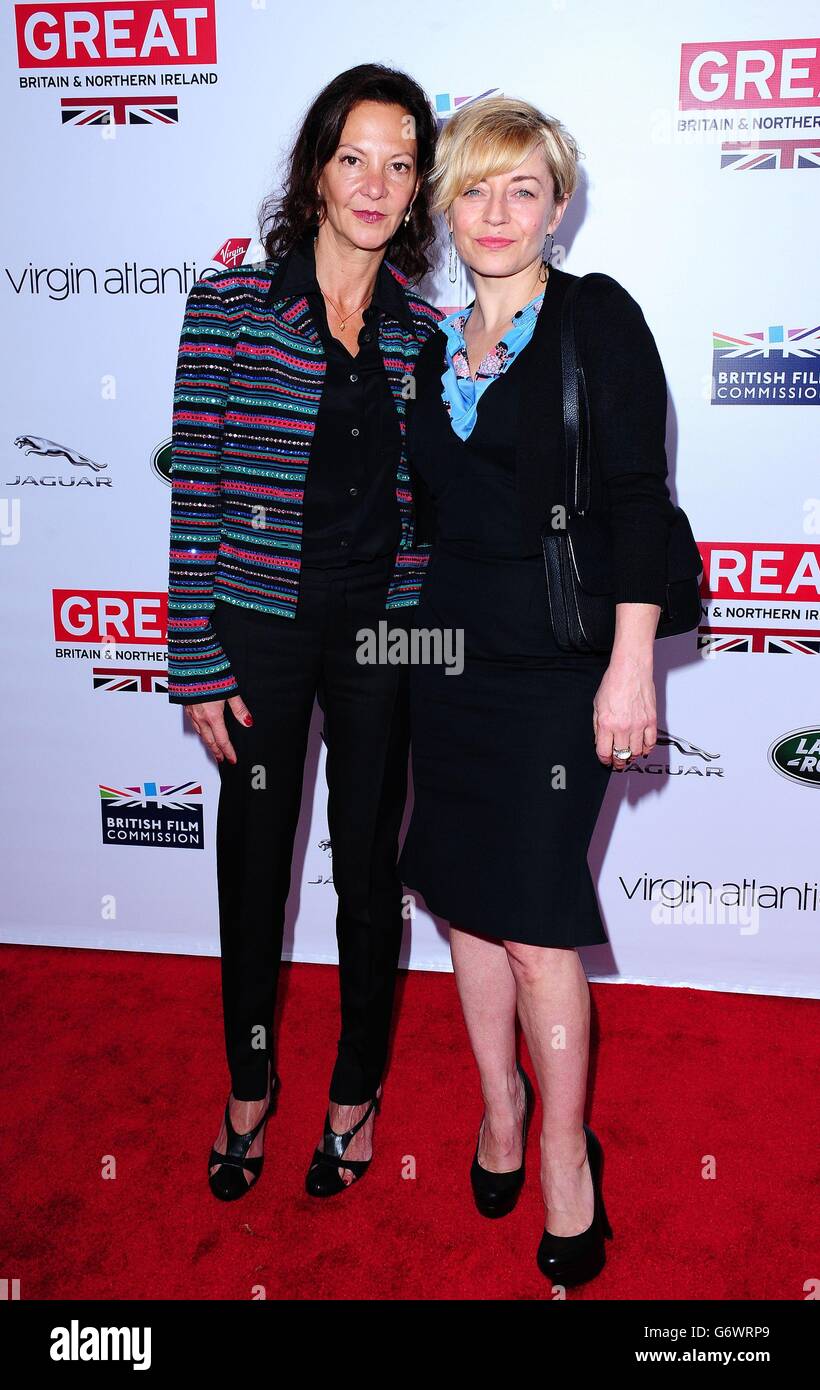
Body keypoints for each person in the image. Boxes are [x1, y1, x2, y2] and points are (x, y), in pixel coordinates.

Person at [399, 95, 678, 1286]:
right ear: (443, 209)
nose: (498, 211)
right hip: (446, 665)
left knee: (532, 926)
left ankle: (565, 1152)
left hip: (562, 669)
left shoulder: (595, 320)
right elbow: (420, 530)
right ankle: (499, 1107)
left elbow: (641, 502)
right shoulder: (425, 349)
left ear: (557, 205)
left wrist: (628, 666)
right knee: (465, 908)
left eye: (524, 188)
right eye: (474, 188)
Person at [166, 64, 442, 1201]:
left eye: (400, 162)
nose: (375, 183)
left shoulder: (429, 333)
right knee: (253, 868)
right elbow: (194, 492)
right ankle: (249, 1083)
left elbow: (438, 503)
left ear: (419, 186)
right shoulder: (229, 306)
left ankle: (355, 1089)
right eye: (354, 156)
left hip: (385, 632)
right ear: (316, 170)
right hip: (260, 628)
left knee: (369, 878)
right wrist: (193, 654)